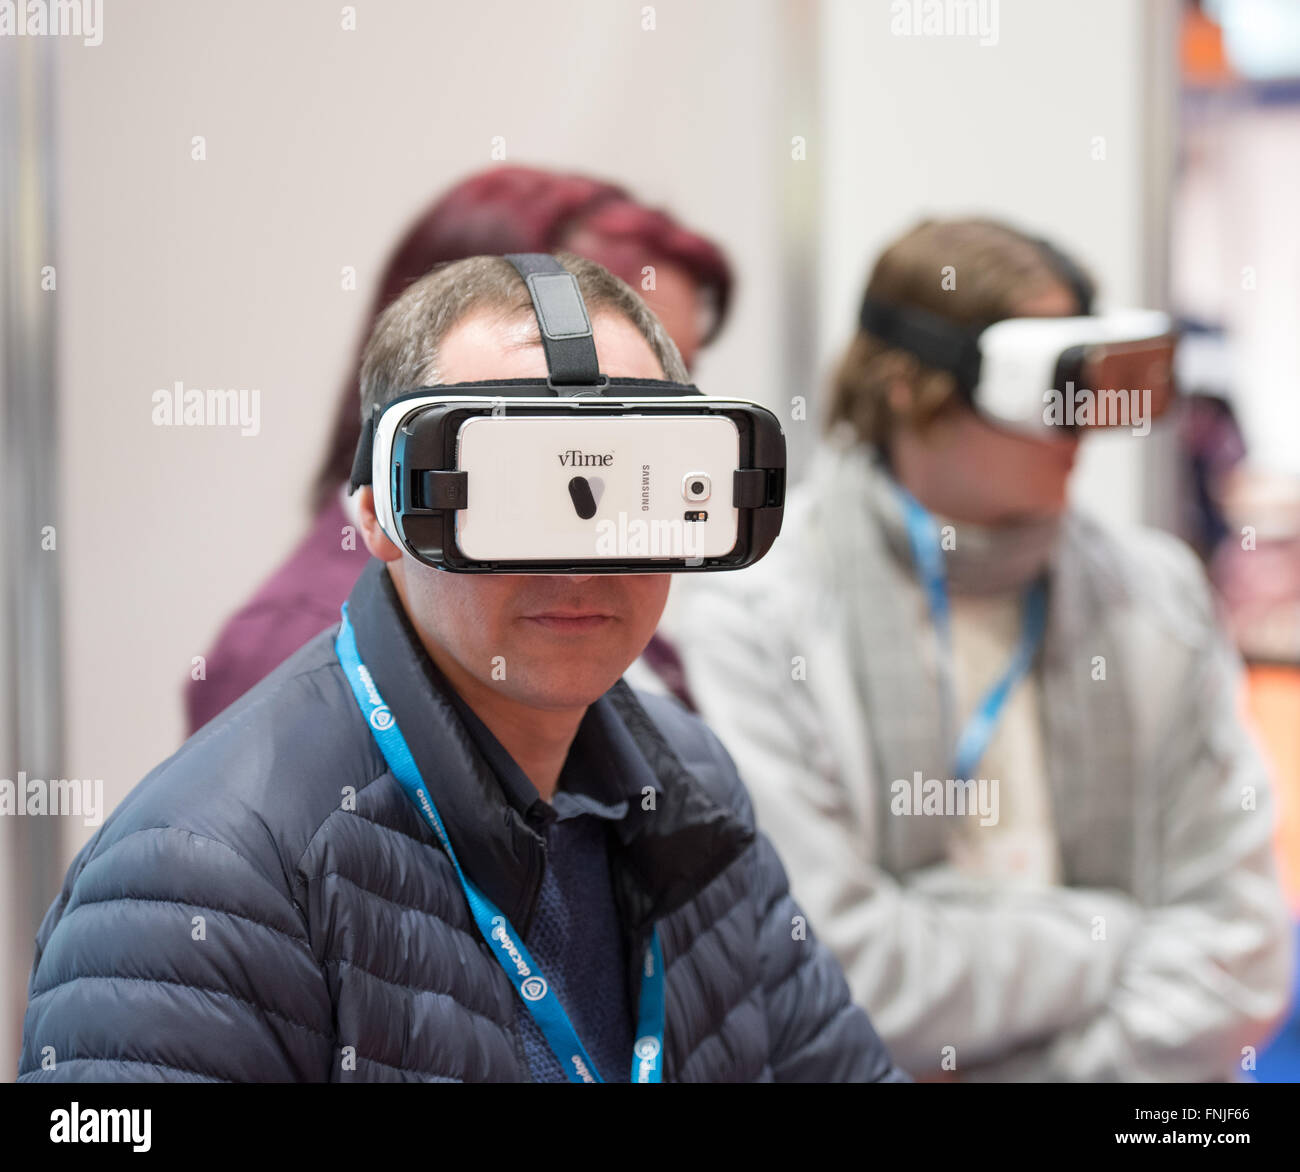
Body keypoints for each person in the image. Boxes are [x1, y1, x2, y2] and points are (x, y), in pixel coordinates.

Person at [19, 254, 904, 1083]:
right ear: (376, 513)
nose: (583, 565)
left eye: (636, 490)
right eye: (513, 495)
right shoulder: (203, 880)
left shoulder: (689, 786)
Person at [669, 217, 1294, 1081]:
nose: (1075, 427)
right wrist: (1113, 935)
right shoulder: (760, 613)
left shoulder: (1156, 598)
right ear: (906, 386)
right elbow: (839, 969)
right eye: (1049, 388)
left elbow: (1241, 948)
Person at [184, 167, 729, 734]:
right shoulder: (277, 656)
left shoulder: (621, 607)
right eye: (592, 393)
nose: (649, 432)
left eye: (667, 387)